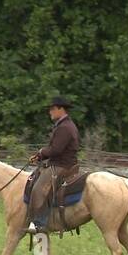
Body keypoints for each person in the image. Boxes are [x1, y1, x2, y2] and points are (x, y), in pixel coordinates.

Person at [27, 96, 80, 233]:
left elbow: (56, 150)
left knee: (39, 188)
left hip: (62, 165)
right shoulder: (66, 125)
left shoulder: (65, 127)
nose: (50, 112)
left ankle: (39, 223)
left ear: (60, 109)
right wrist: (41, 155)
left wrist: (41, 152)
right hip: (63, 163)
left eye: (52, 109)